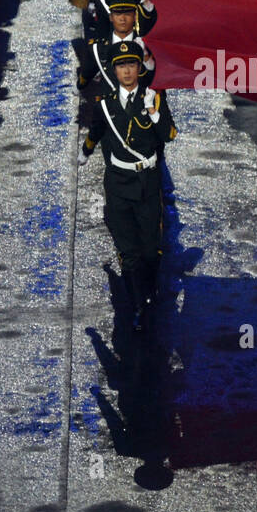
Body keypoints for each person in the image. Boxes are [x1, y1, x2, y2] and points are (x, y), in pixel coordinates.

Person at [78, 40, 177, 330]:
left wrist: (154, 113)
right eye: (121, 66)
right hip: (118, 184)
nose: (127, 71)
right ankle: (139, 304)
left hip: (147, 182)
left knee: (150, 249)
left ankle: (149, 288)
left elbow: (169, 134)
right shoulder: (105, 105)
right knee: (129, 252)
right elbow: (96, 129)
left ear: (138, 68)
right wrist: (85, 150)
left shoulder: (154, 98)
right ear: (114, 70)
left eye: (131, 65)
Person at [79, 0, 157, 94]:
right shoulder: (97, 48)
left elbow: (152, 79)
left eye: (127, 13)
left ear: (135, 16)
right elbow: (87, 74)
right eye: (118, 14)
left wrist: (146, 56)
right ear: (111, 17)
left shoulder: (147, 45)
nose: (122, 19)